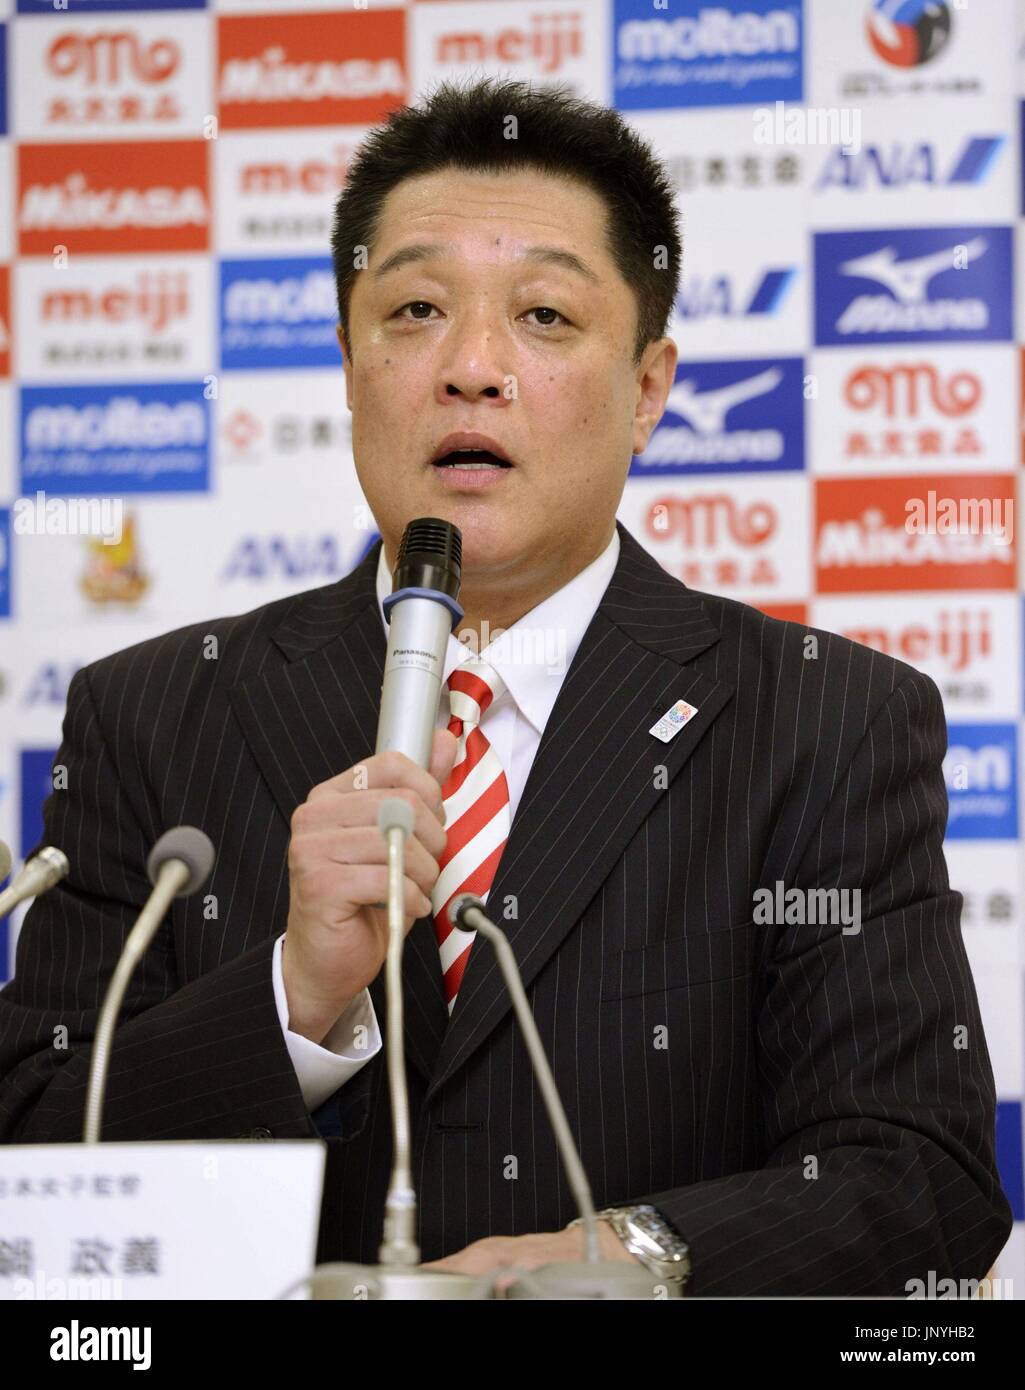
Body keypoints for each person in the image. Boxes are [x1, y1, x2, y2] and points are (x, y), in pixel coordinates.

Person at [0, 78, 1011, 1295]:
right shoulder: (153, 713)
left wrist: (638, 1256)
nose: (473, 367)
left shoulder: (823, 720)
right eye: (416, 309)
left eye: (541, 315)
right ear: (348, 363)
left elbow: (919, 1173)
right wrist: (290, 995)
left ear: (646, 389)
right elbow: (33, 1155)